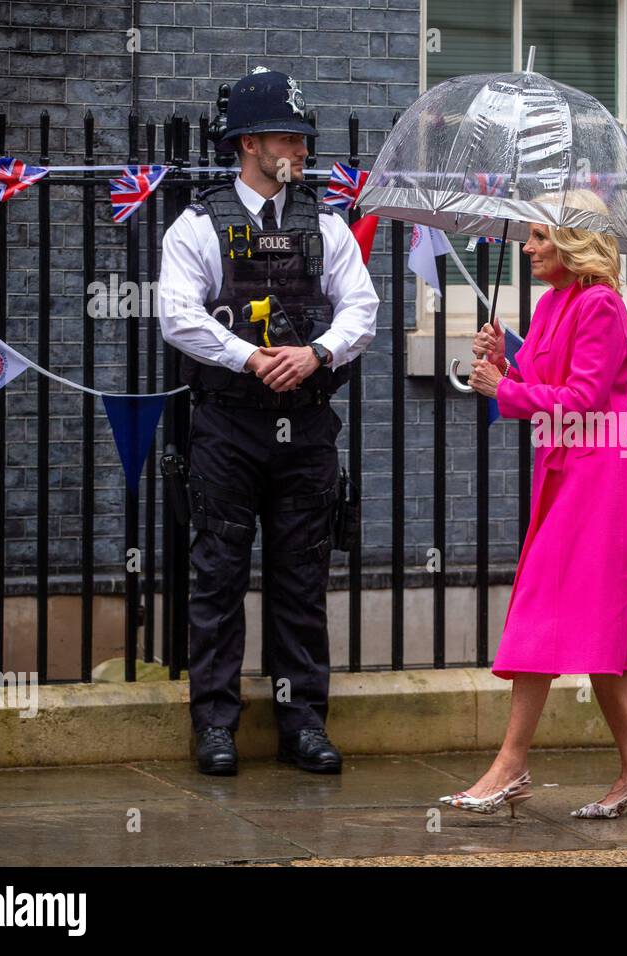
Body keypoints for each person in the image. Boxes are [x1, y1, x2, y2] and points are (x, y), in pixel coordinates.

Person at [157, 67, 379, 776]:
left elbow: (363, 310)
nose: (302, 149)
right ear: (248, 143)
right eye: (290, 136)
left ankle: (303, 726)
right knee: (217, 575)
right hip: (228, 424)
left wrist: (315, 354)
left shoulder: (329, 225)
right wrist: (252, 359)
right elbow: (177, 316)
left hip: (307, 426)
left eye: (305, 137)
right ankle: (215, 727)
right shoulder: (197, 225)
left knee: (301, 577)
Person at [440, 194, 627, 819]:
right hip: (569, 473)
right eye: (531, 236)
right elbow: (540, 374)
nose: (529, 247)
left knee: (541, 606)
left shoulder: (601, 305)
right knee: (597, 629)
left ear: (572, 242)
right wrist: (502, 357)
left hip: (599, 479)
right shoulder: (554, 302)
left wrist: (503, 388)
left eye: (540, 237)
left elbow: (584, 397)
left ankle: (510, 766)